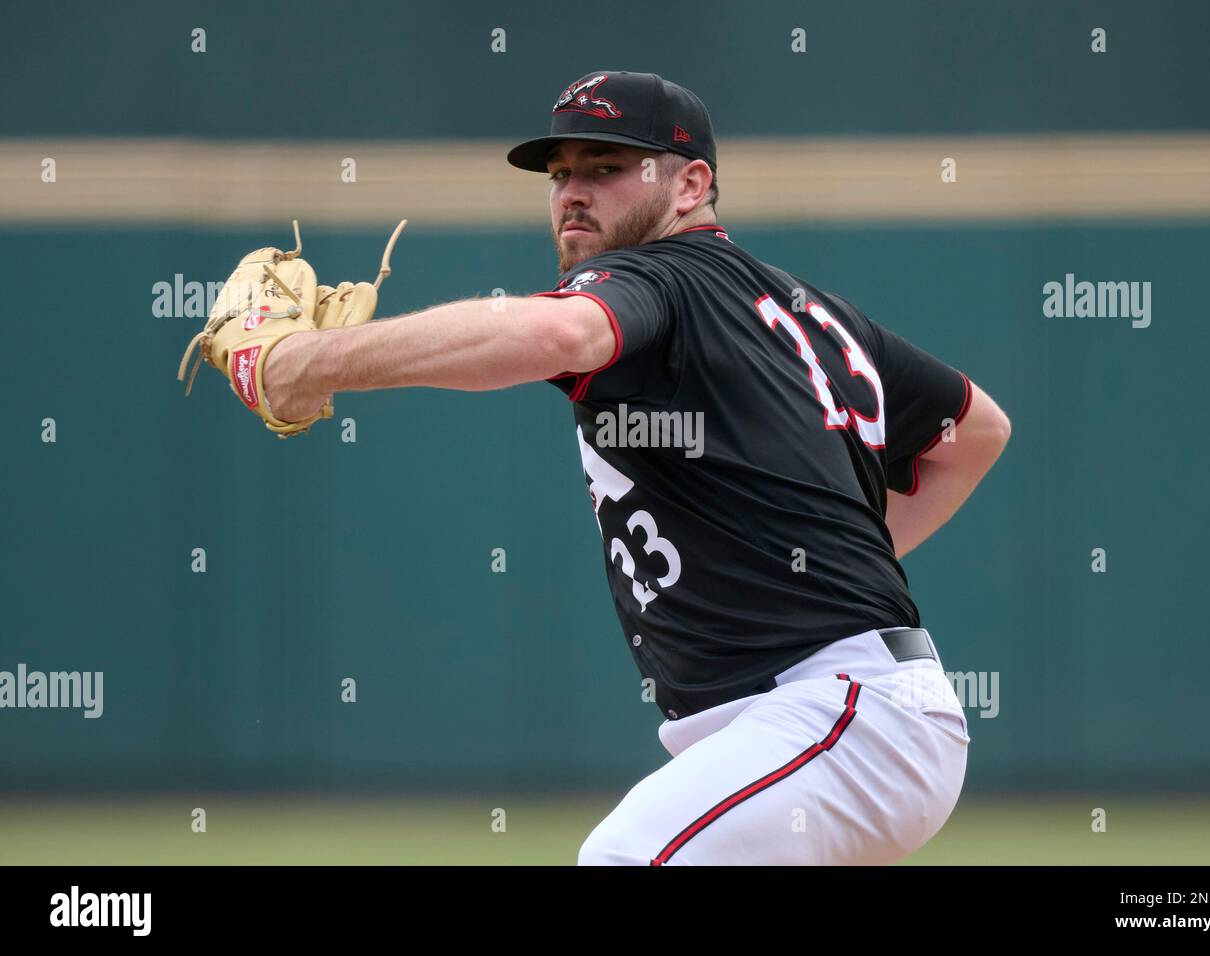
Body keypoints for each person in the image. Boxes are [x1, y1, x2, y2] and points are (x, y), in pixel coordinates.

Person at [263, 71, 1012, 865]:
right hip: (824, 721)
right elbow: (974, 433)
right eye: (561, 175)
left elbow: (556, 338)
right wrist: (826, 565)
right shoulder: (807, 309)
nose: (573, 193)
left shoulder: (658, 278)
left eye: (607, 167)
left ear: (691, 184)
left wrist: (304, 363)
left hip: (837, 712)